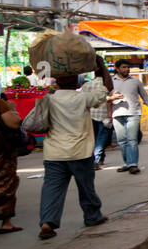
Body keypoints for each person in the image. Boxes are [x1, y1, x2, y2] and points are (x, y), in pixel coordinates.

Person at [37, 56, 113, 239]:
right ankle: (93, 216)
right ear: (76, 81)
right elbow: (107, 89)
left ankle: (47, 222)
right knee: (86, 187)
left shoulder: (49, 99)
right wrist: (100, 66)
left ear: (57, 82)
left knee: (51, 189)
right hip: (80, 152)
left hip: (54, 153)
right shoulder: (83, 98)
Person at [110, 59, 148, 174]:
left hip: (133, 113)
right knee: (122, 141)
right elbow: (104, 98)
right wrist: (112, 98)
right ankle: (127, 163)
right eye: (124, 67)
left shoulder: (135, 81)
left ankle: (133, 164)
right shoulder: (110, 82)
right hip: (117, 113)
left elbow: (145, 96)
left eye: (127, 67)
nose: (126, 69)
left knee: (132, 140)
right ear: (117, 68)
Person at [0, 92, 23, 233]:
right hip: (0, 152)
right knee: (5, 183)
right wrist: (11, 109)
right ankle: (6, 223)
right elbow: (14, 122)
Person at [90, 83, 112, 171]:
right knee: (101, 139)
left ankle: (100, 158)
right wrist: (110, 113)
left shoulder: (87, 85)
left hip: (92, 115)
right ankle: (97, 160)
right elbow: (109, 101)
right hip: (104, 115)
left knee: (96, 139)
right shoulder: (107, 85)